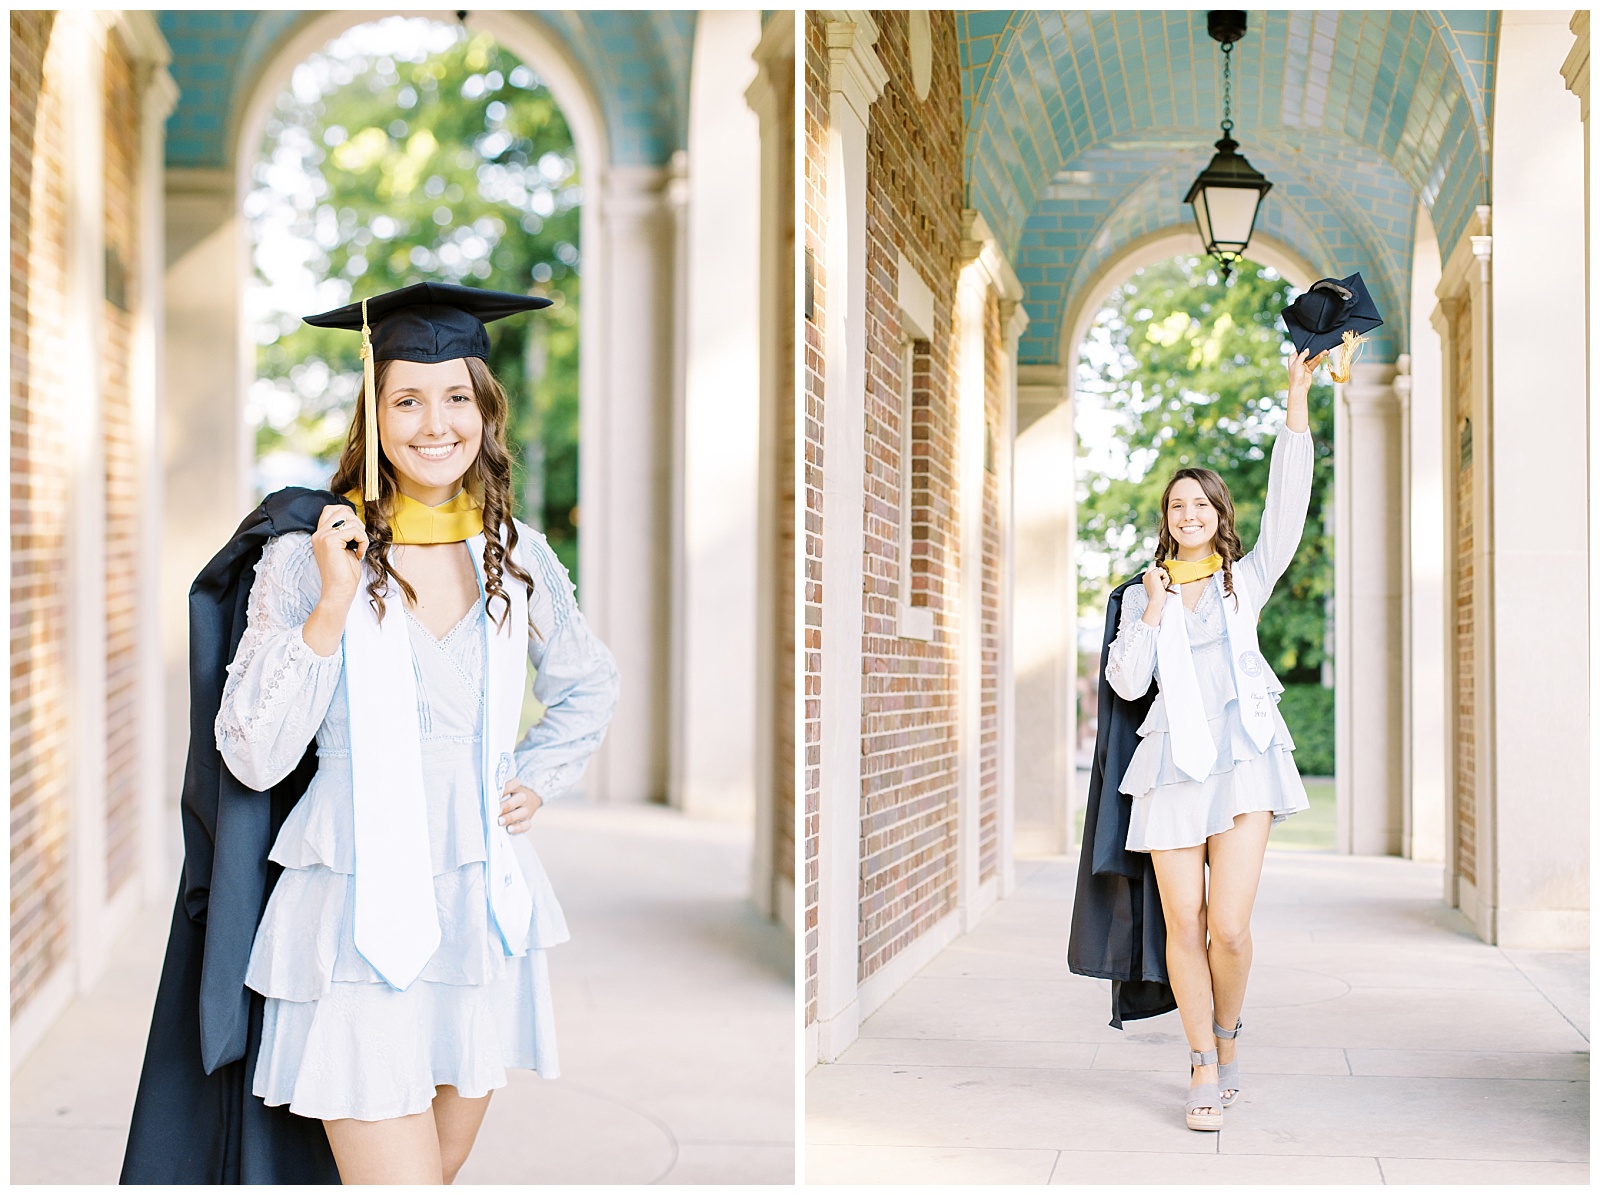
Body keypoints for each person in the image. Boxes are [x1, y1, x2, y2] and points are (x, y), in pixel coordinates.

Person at [122, 282, 619, 1183]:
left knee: (435, 1172)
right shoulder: (308, 553)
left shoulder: (514, 553)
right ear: (373, 412)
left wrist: (538, 776)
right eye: (407, 399)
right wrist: (330, 607)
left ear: (485, 411)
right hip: (356, 921)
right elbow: (252, 751)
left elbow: (589, 683)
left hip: (479, 911)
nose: (436, 423)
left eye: (457, 396)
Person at [1100, 343, 1319, 1132]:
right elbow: (1128, 684)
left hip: (1245, 759)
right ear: (1166, 519)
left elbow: (1287, 506)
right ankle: (1198, 1061)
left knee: (1227, 925)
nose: (1188, 513)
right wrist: (1153, 609)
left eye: (1201, 504)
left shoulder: (1243, 581)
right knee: (1183, 923)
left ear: (1220, 516)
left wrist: (1296, 397)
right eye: (1176, 505)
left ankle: (1228, 1037)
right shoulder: (1143, 594)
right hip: (1170, 766)